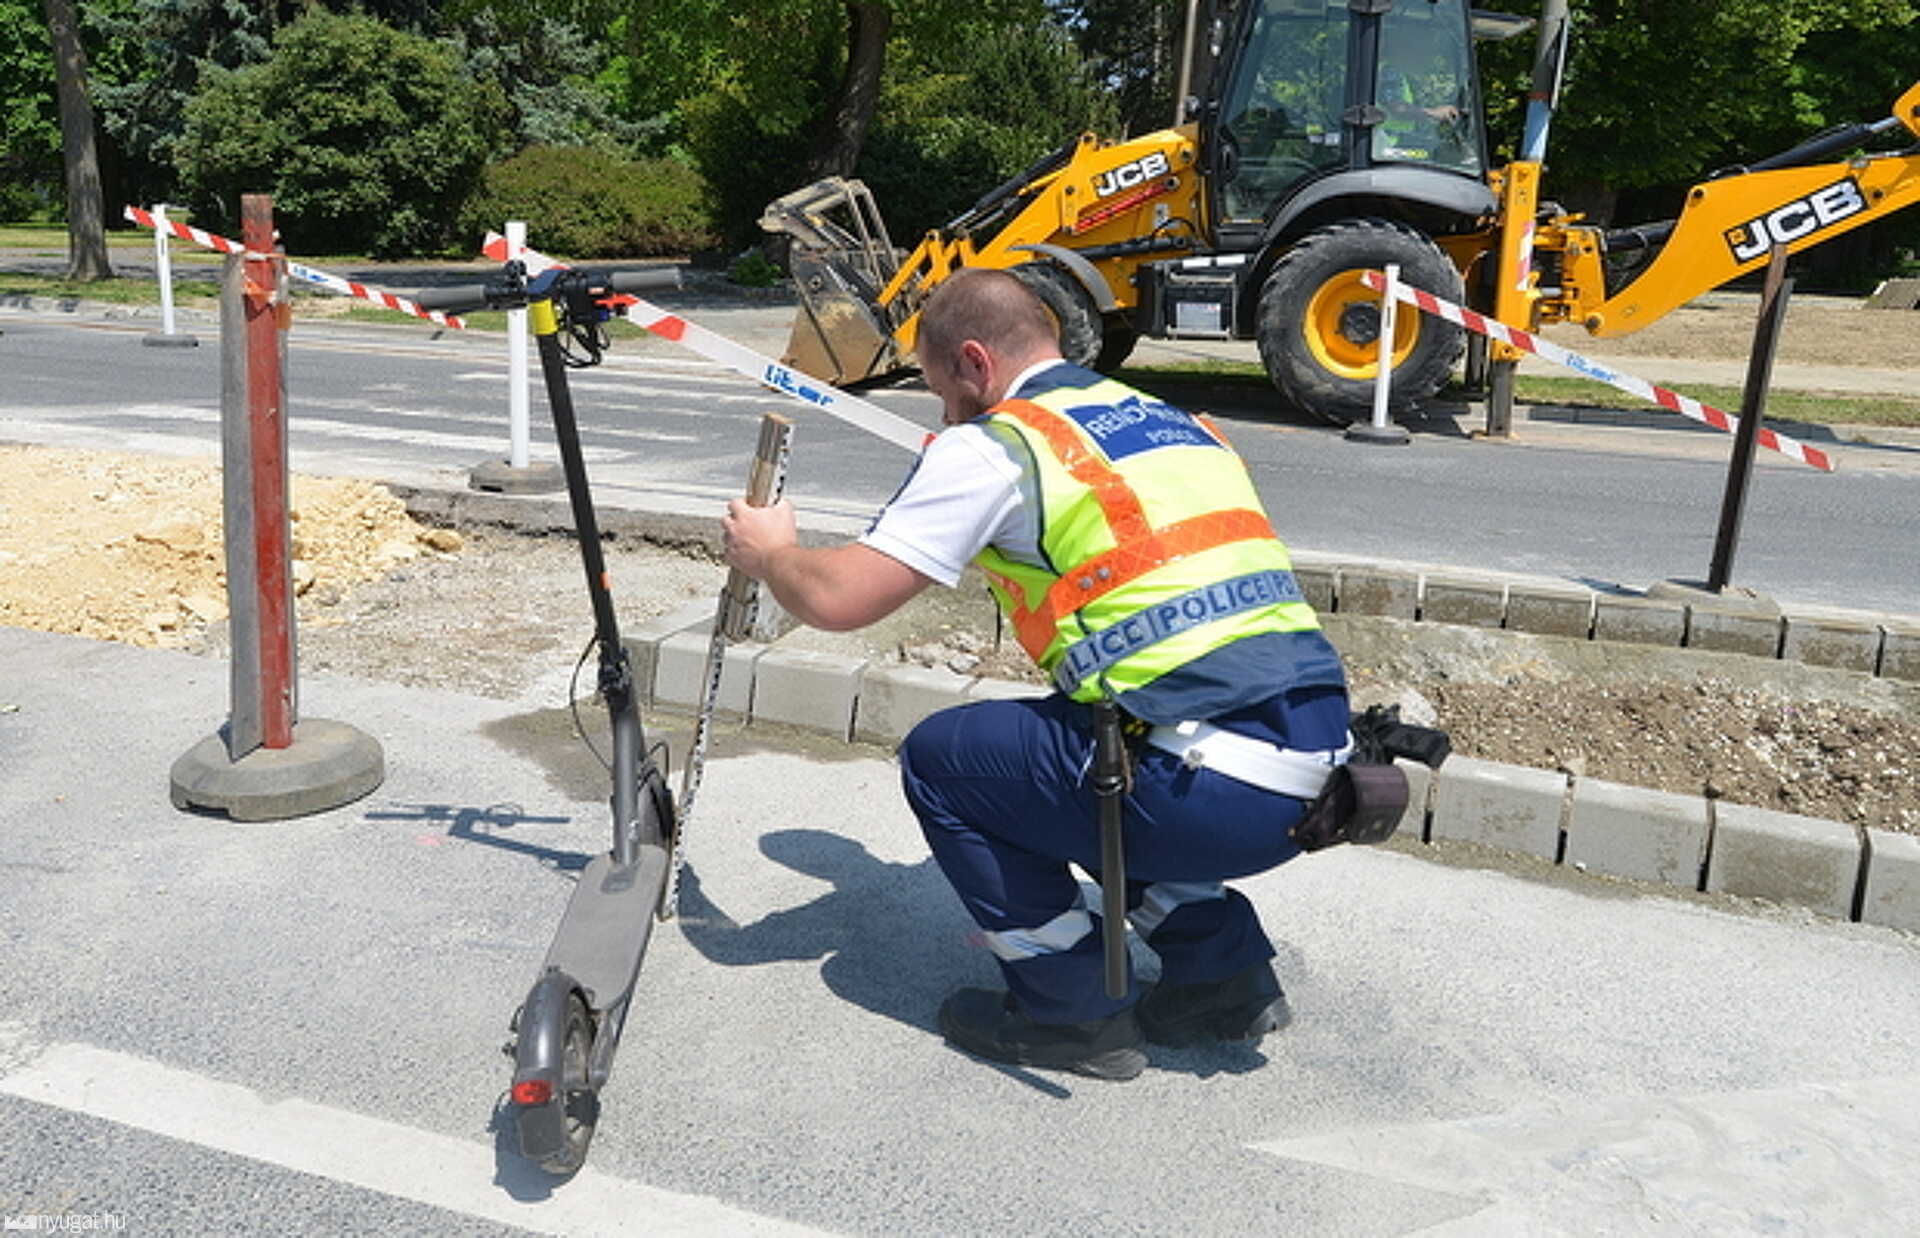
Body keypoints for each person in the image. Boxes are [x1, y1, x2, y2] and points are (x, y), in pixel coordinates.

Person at [721, 268, 1352, 1081]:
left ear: (976, 363)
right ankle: (1221, 978)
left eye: (938, 386)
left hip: (1205, 784)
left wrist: (772, 552)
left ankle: (1072, 1015)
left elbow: (842, 598)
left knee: (948, 761)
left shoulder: (997, 445)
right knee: (1088, 755)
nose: (942, 411)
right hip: (1317, 770)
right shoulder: (1167, 421)